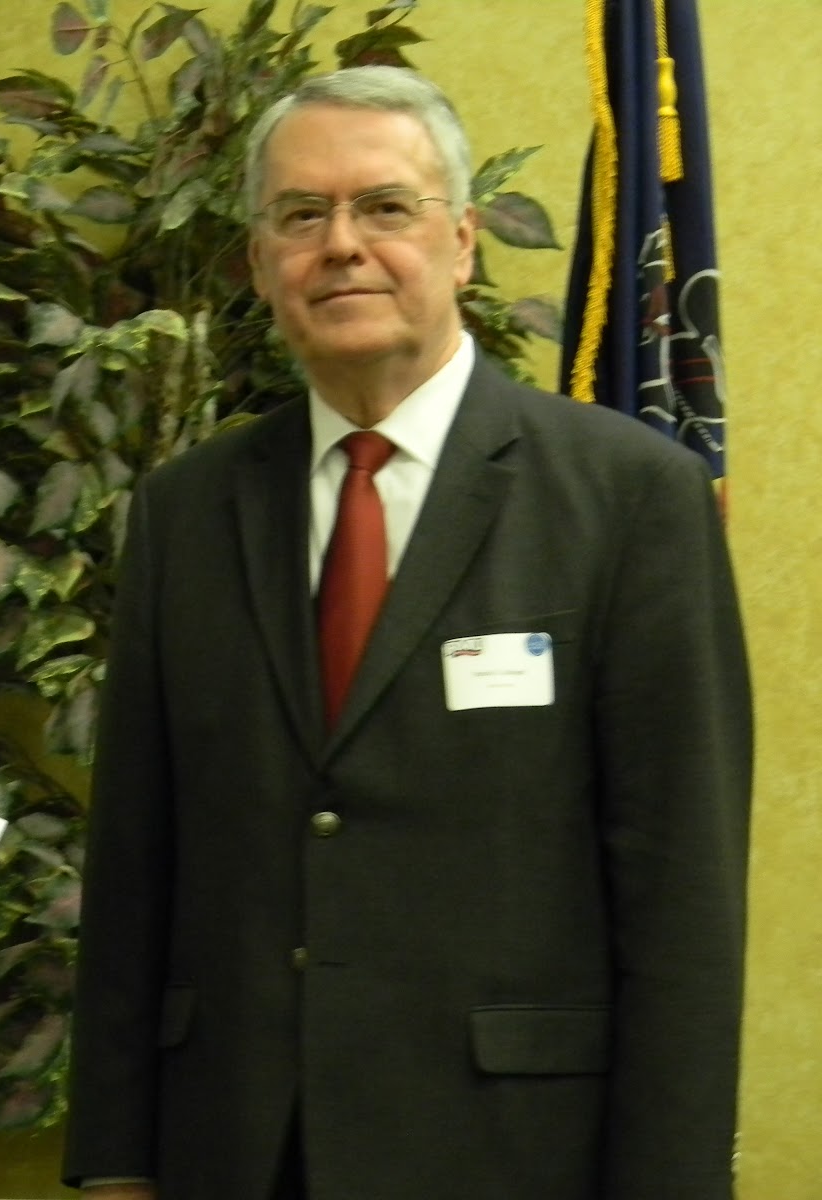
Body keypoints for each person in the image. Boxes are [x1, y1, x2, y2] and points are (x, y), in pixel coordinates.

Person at [62, 66, 751, 1200]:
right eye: (300, 215)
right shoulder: (188, 512)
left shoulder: (629, 499)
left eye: (385, 206)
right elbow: (136, 865)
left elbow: (683, 899)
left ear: (463, 241)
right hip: (236, 1148)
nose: (342, 245)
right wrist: (112, 1166)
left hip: (512, 1154)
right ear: (258, 262)